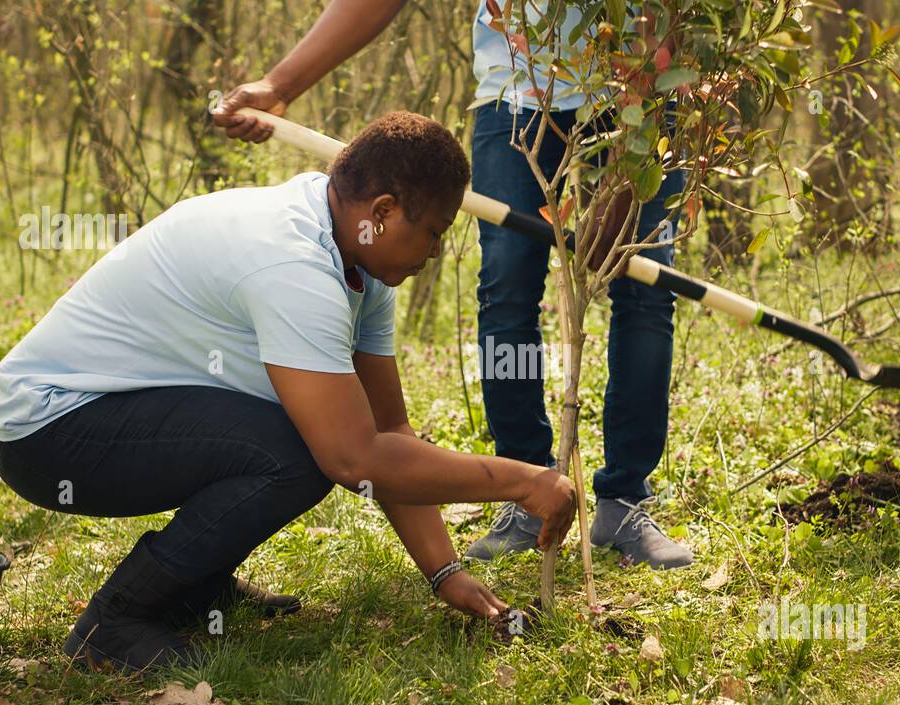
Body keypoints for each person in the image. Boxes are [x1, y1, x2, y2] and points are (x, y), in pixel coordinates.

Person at [0, 112, 577, 674]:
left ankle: (197, 584)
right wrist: (524, 481)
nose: (435, 253)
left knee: (302, 433)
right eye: (434, 233)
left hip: (109, 412)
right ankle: (116, 621)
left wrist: (444, 571)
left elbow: (389, 433)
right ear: (386, 211)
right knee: (299, 455)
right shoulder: (294, 265)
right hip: (47, 428)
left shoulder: (355, 258)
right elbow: (354, 459)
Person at [214, 0, 693, 570]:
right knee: (507, 291)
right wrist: (279, 83)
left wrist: (633, 132)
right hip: (519, 94)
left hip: (647, 100)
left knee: (645, 287)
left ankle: (624, 500)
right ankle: (525, 491)